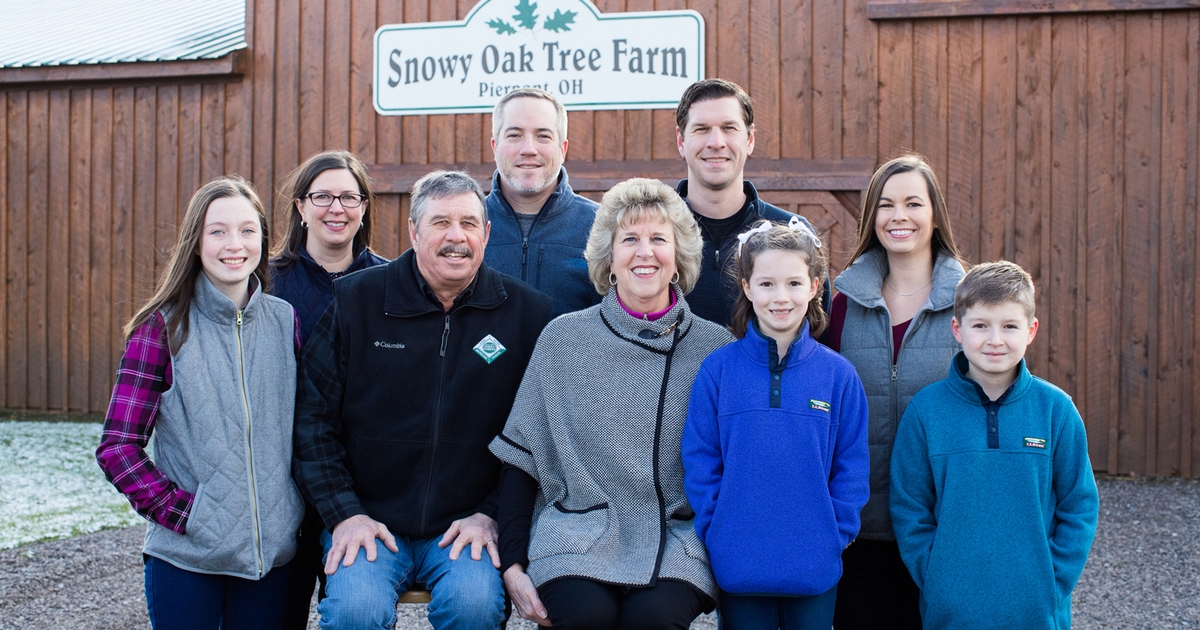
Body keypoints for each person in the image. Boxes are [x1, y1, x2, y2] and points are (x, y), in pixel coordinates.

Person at [293, 170, 554, 630]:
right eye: (440, 223)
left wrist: (492, 515)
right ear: (413, 231)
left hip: (465, 527)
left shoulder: (527, 315)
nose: (457, 237)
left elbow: (538, 438)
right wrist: (345, 514)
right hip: (368, 522)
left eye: (470, 223)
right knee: (355, 612)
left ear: (487, 233)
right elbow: (312, 422)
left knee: (474, 607)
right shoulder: (358, 301)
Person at [490, 178, 734, 629]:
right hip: (576, 532)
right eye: (630, 239)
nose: (645, 252)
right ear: (610, 258)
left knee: (653, 621)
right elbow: (521, 460)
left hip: (676, 538)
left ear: (678, 258)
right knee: (586, 618)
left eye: (659, 239)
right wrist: (512, 564)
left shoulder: (714, 348)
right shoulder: (563, 339)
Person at [96, 176, 304, 629]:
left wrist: (290, 510)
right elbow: (117, 447)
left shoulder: (283, 321)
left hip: (271, 561)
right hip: (186, 563)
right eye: (218, 231)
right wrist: (187, 514)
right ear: (195, 242)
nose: (235, 244)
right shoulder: (162, 329)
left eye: (248, 230)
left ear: (263, 241)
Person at [890, 261, 1099, 629]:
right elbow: (910, 507)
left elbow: (1079, 504)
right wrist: (938, 578)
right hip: (951, 613)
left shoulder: (1056, 411)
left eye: (1009, 326)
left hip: (1035, 613)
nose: (995, 340)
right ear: (957, 329)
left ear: (1031, 330)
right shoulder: (926, 411)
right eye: (981, 325)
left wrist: (1051, 580)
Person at [683, 218, 870, 629]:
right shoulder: (717, 371)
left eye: (793, 283)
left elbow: (851, 466)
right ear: (747, 287)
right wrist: (717, 528)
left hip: (814, 563)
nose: (780, 297)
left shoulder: (839, 376)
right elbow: (701, 458)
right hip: (739, 561)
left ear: (814, 286)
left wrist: (835, 532)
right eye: (766, 284)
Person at [821, 153, 967, 629]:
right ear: (872, 217)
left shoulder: (971, 304)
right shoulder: (841, 306)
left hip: (943, 528)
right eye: (885, 205)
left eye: (912, 203)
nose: (898, 216)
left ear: (934, 214)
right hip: (858, 531)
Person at [268, 150, 389, 629]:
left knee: (356, 608)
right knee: (282, 609)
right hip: (285, 476)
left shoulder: (391, 283)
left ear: (363, 208)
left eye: (349, 197)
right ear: (300, 207)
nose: (336, 208)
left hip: (360, 479)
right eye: (322, 196)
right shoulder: (268, 282)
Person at [673, 78, 829, 325]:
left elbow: (819, 336)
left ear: (750, 140)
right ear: (681, 142)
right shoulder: (655, 236)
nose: (716, 142)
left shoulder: (791, 232)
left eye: (729, 128)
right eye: (702, 129)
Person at [484, 87, 600, 317]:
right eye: (515, 135)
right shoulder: (466, 227)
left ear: (562, 149)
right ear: (495, 147)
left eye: (543, 136)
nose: (529, 149)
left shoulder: (603, 227)